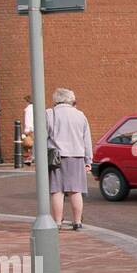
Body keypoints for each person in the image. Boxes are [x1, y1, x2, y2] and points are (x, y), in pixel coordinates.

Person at [46, 88, 91, 231]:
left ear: (56, 100)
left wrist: (36, 157)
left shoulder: (49, 114)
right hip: (77, 156)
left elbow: (42, 136)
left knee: (56, 190)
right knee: (75, 190)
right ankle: (77, 221)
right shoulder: (80, 115)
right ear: (71, 100)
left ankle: (57, 222)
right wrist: (88, 160)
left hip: (56, 157)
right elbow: (86, 139)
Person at [21, 94, 34, 165]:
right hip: (36, 129)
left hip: (30, 130)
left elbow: (28, 120)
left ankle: (29, 158)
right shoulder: (37, 108)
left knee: (27, 144)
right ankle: (30, 158)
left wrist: (27, 130)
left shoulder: (29, 109)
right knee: (32, 145)